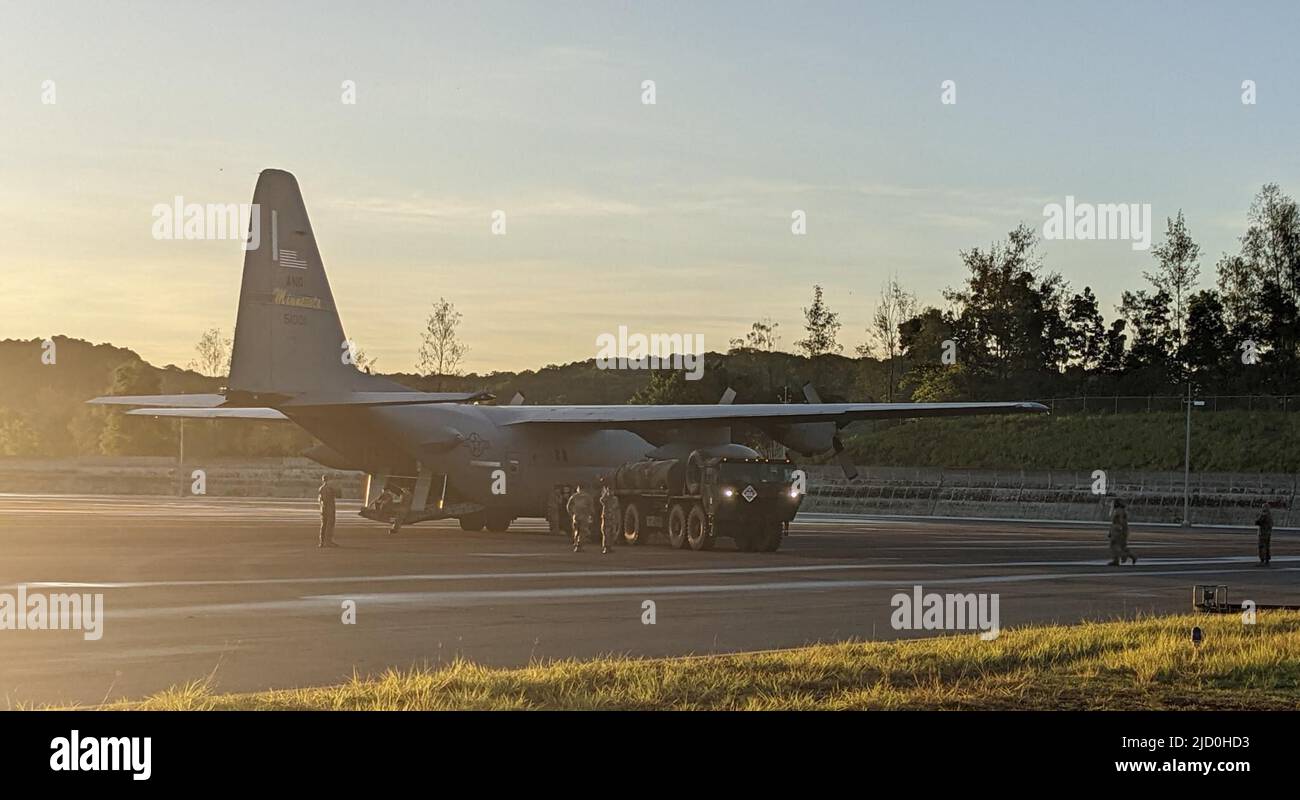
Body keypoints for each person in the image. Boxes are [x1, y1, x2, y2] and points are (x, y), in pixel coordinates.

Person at [566, 484, 596, 553]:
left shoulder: (574, 496)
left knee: (576, 530)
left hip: (575, 516)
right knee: (583, 531)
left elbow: (568, 506)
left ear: (578, 488)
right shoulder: (588, 497)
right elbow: (591, 507)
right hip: (584, 516)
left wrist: (571, 513)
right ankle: (579, 546)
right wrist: (591, 515)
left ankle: (575, 543)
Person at [1107, 497, 1135, 566]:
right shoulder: (1122, 510)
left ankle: (1121, 556)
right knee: (1122, 546)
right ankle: (1132, 556)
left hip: (1118, 530)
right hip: (1119, 529)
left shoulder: (1119, 511)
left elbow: (1121, 521)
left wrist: (1119, 529)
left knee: (1114, 545)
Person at [599, 484, 621, 555]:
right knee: (606, 533)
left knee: (612, 533)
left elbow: (616, 507)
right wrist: (605, 494)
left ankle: (610, 547)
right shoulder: (606, 498)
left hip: (613, 518)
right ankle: (606, 547)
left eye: (612, 490)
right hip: (606, 518)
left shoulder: (615, 499)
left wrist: (617, 518)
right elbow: (601, 500)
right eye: (609, 490)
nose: (611, 492)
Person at [318, 475, 339, 548]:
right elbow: (338, 495)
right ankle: (328, 542)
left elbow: (320, 500)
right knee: (329, 526)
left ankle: (322, 542)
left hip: (323, 509)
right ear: (329, 480)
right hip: (329, 509)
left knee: (323, 525)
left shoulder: (321, 488)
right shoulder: (330, 489)